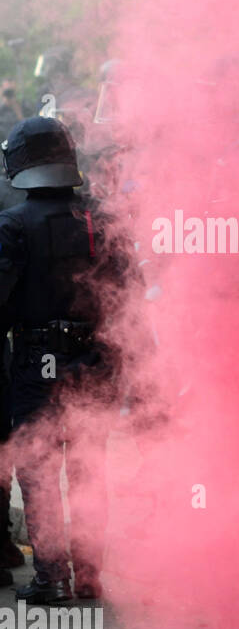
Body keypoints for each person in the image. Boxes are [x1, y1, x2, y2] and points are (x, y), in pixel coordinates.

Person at [0, 116, 123, 602]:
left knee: (39, 469)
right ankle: (90, 575)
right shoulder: (102, 219)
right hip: (94, 360)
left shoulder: (13, 224)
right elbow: (125, 298)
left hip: (36, 362)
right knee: (91, 467)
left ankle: (53, 578)